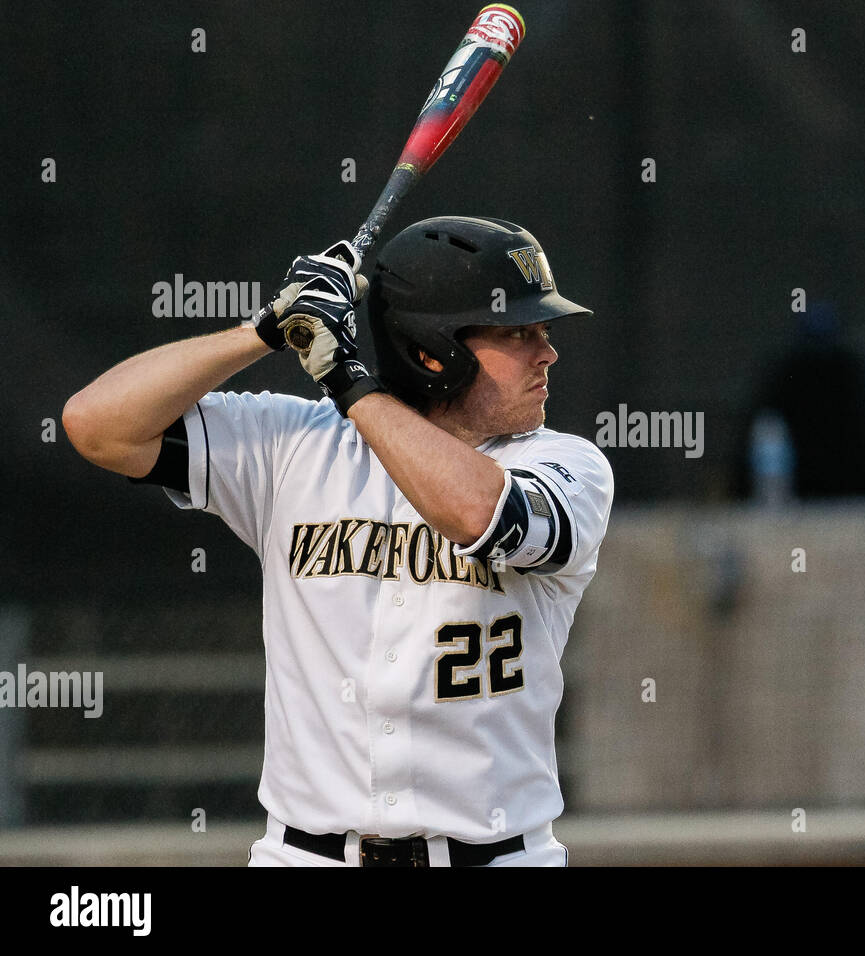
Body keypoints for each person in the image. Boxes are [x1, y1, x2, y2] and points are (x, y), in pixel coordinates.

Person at [62, 216, 614, 867]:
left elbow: (476, 511)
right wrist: (263, 330)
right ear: (434, 351)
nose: (545, 352)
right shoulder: (295, 444)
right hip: (307, 857)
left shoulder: (568, 467)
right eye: (517, 333)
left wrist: (350, 381)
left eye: (542, 331)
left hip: (496, 855)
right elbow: (96, 426)